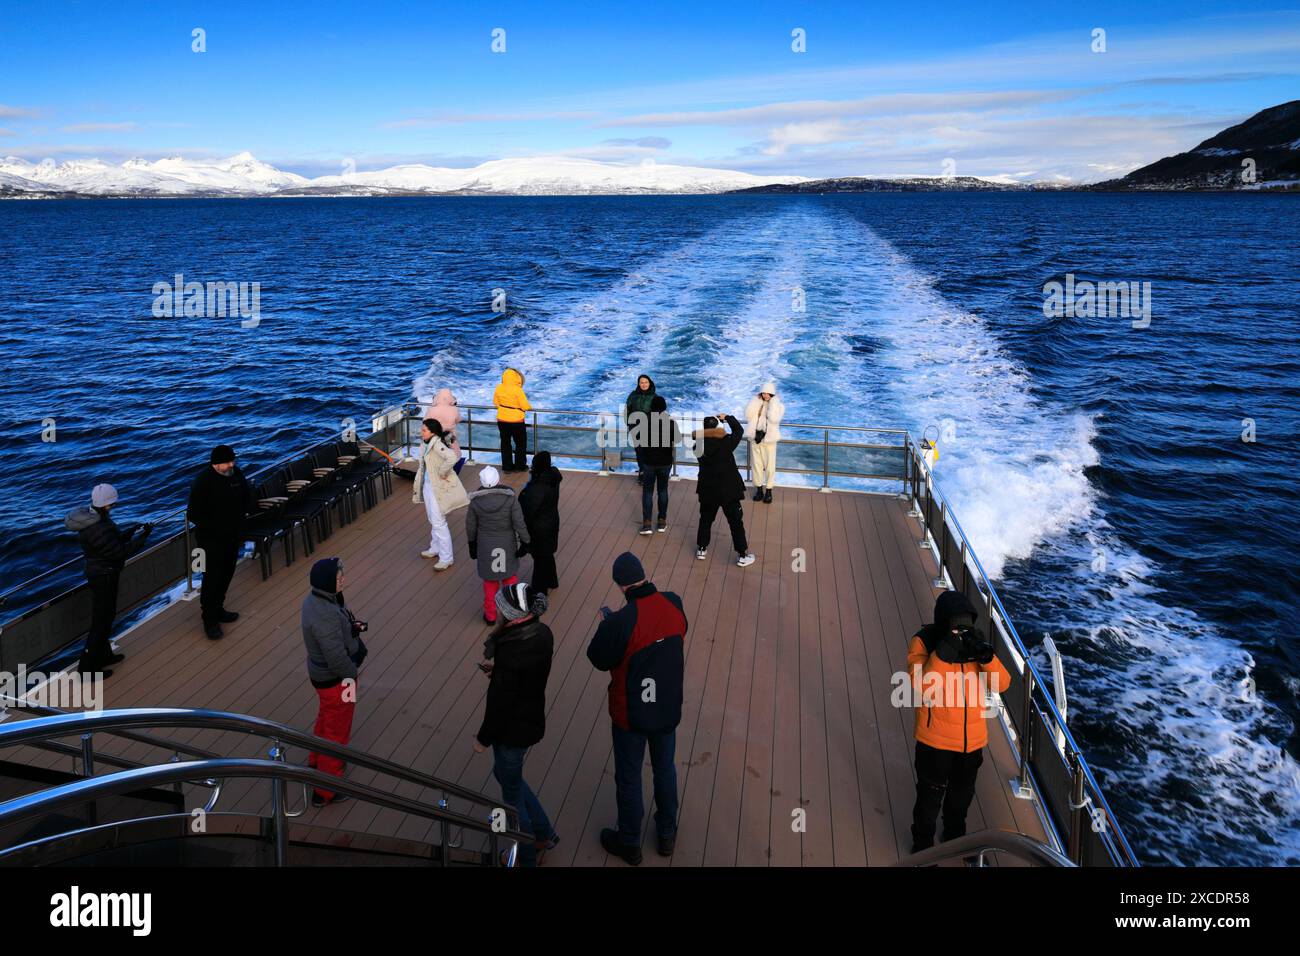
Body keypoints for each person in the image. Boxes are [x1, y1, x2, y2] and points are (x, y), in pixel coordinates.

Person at [587, 552, 688, 865]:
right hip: (666, 708)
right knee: (665, 768)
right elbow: (676, 630)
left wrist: (610, 625)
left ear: (620, 586)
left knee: (629, 777)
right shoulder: (674, 602)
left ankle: (630, 841)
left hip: (631, 713)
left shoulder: (621, 622)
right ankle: (667, 833)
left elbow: (598, 658)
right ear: (644, 575)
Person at [907, 590, 1012, 854]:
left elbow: (1003, 683)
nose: (962, 629)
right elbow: (922, 686)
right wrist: (944, 654)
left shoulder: (975, 643)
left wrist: (986, 658)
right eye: (957, 624)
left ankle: (955, 841)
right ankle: (922, 848)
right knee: (929, 801)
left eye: (967, 623)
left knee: (960, 801)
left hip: (971, 743)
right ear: (944, 621)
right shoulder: (924, 642)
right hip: (935, 742)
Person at [473, 582, 559, 866]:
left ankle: (526, 856)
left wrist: (482, 739)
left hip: (511, 730)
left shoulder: (510, 652)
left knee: (511, 798)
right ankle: (544, 832)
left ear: (511, 614)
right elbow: (525, 675)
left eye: (500, 607)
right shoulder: (543, 634)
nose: (497, 610)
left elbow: (498, 705)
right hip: (531, 718)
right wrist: (500, 673)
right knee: (506, 775)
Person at [64, 484, 154, 676]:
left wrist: (131, 532)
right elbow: (120, 552)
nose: (114, 504)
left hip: (102, 573)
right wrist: (143, 537)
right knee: (101, 622)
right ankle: (87, 669)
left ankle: (104, 656)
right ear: (106, 503)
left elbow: (111, 542)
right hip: (103, 576)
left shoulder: (95, 519)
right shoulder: (98, 527)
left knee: (106, 617)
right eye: (113, 502)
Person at [301, 557, 368, 808]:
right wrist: (352, 673)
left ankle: (315, 760)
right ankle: (326, 790)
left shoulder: (317, 600)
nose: (343, 579)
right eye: (339, 577)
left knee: (326, 717)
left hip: (324, 679)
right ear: (328, 582)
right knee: (337, 731)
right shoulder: (326, 613)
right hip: (339, 680)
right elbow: (335, 656)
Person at [187, 444, 256, 639]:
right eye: (227, 462)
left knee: (227, 574)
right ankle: (209, 621)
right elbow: (193, 514)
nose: (231, 465)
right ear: (216, 464)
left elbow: (246, 492)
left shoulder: (235, 474)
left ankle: (219, 609)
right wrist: (217, 525)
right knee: (212, 579)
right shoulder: (203, 482)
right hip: (211, 542)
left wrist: (247, 508)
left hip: (232, 536)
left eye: (232, 461)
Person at [466, 465, 531, 625]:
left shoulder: (475, 502)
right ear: (498, 480)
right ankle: (513, 613)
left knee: (490, 583)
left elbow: (471, 526)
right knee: (510, 579)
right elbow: (519, 523)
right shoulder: (510, 499)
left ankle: (490, 616)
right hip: (506, 545)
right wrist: (525, 541)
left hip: (486, 547)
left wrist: (472, 544)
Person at [693, 414, 755, 567]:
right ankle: (742, 555)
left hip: (708, 490)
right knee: (735, 523)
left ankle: (701, 548)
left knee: (705, 520)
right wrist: (728, 417)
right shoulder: (726, 442)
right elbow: (739, 431)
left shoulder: (697, 446)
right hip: (728, 491)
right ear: (717, 427)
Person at [413, 418, 468, 570]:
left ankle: (446, 558)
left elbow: (451, 457)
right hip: (429, 486)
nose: (421, 432)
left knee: (439, 522)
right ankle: (435, 548)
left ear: (432, 432)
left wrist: (442, 472)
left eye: (424, 430)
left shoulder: (436, 444)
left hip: (437, 488)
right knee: (433, 519)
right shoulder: (426, 443)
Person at [518, 450, 562, 595]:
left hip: (539, 528)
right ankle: (552, 581)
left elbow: (529, 508)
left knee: (540, 559)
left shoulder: (538, 486)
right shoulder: (552, 478)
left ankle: (539, 592)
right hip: (551, 522)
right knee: (547, 555)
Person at [637, 395, 678, 535]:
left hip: (648, 462)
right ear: (664, 408)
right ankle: (661, 521)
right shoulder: (670, 423)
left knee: (648, 492)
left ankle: (647, 523)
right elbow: (677, 439)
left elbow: (638, 439)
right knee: (662, 490)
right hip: (665, 462)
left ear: (651, 407)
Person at [744, 381, 784, 503]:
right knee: (756, 465)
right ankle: (759, 490)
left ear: (772, 394)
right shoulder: (758, 403)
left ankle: (769, 491)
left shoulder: (778, 406)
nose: (765, 395)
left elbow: (774, 418)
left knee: (770, 467)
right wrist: (755, 401)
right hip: (755, 439)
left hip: (769, 441)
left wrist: (773, 403)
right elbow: (748, 414)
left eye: (768, 393)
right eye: (763, 393)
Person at [492, 367, 530, 473]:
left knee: (505, 443)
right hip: (516, 421)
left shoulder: (499, 387)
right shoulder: (518, 390)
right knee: (520, 444)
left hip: (502, 420)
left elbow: (495, 402)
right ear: (517, 378)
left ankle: (507, 467)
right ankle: (520, 466)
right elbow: (525, 406)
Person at [425, 388, 465, 474]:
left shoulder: (431, 409)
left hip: (435, 438)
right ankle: (451, 473)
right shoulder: (454, 409)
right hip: (449, 437)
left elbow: (425, 422)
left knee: (438, 455)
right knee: (453, 455)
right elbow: (458, 420)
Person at [624, 374, 656, 481]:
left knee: (648, 451)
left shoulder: (655, 397)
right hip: (635, 428)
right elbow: (627, 410)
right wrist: (629, 424)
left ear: (650, 383)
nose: (644, 384)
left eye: (646, 382)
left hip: (649, 428)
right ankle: (642, 471)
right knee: (639, 451)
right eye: (641, 382)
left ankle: (649, 473)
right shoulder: (633, 395)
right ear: (638, 384)